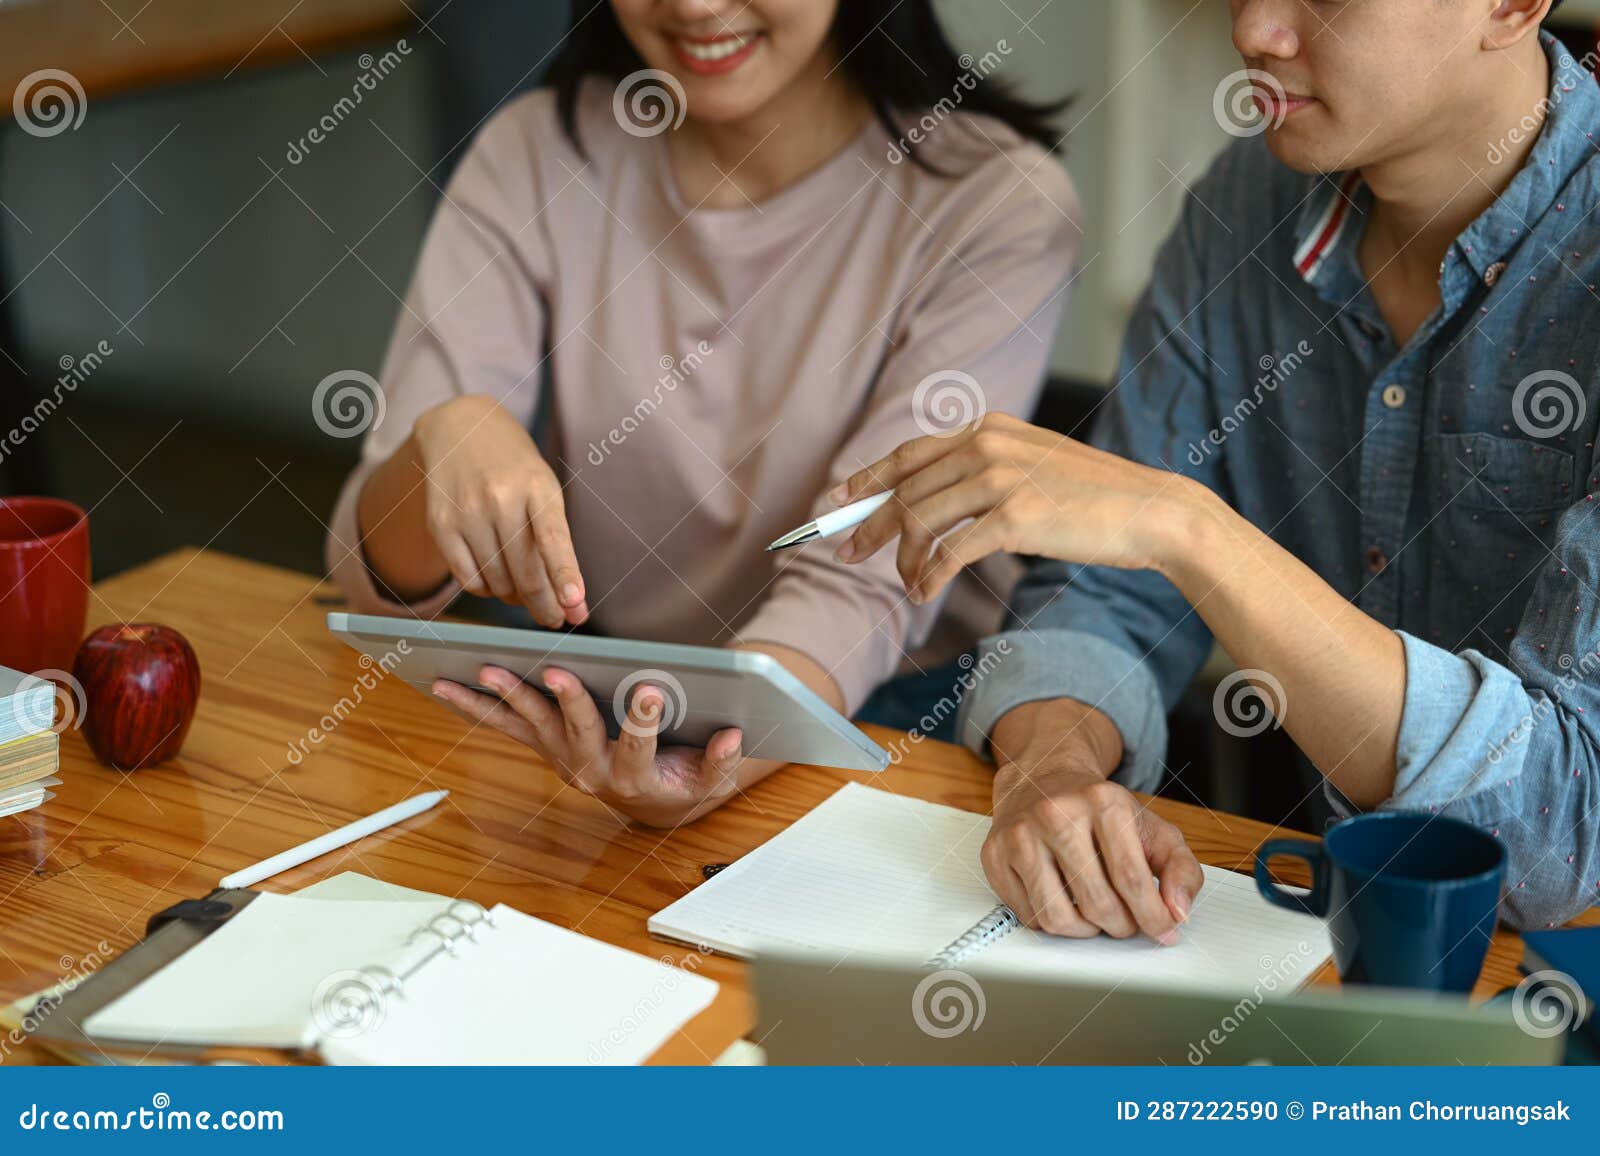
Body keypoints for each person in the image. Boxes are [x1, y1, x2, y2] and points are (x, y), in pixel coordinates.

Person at [832, 0, 1598, 939]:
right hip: (1353, 951)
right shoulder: (1245, 206)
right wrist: (1054, 772)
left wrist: (1185, 528)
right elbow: (1107, 594)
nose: (1255, 31)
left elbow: (1563, 837)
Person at [325, 0, 1080, 826]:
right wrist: (445, 437)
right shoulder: (539, 152)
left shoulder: (997, 201)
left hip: (887, 717)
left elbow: (859, 581)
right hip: (635, 706)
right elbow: (372, 585)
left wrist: (700, 761)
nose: (693, 5)